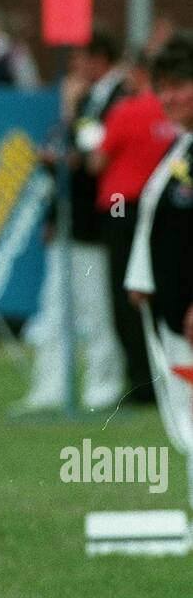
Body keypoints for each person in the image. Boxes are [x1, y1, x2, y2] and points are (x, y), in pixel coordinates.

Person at [13, 30, 127, 413]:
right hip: (69, 220)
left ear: (99, 57)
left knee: (96, 308)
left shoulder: (117, 98)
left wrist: (67, 144)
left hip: (94, 223)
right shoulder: (87, 100)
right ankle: (50, 385)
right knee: (55, 305)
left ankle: (104, 384)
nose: (75, 66)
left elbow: (92, 156)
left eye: (81, 57)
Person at [124, 34, 193, 496]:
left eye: (177, 85)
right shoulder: (182, 149)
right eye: (160, 87)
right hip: (171, 313)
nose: (165, 97)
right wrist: (143, 277)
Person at [90, 51, 177, 401]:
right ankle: (165, 374)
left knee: (126, 294)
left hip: (120, 209)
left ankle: (141, 379)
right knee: (159, 289)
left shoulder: (126, 111)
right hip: (164, 210)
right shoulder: (173, 113)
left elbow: (98, 161)